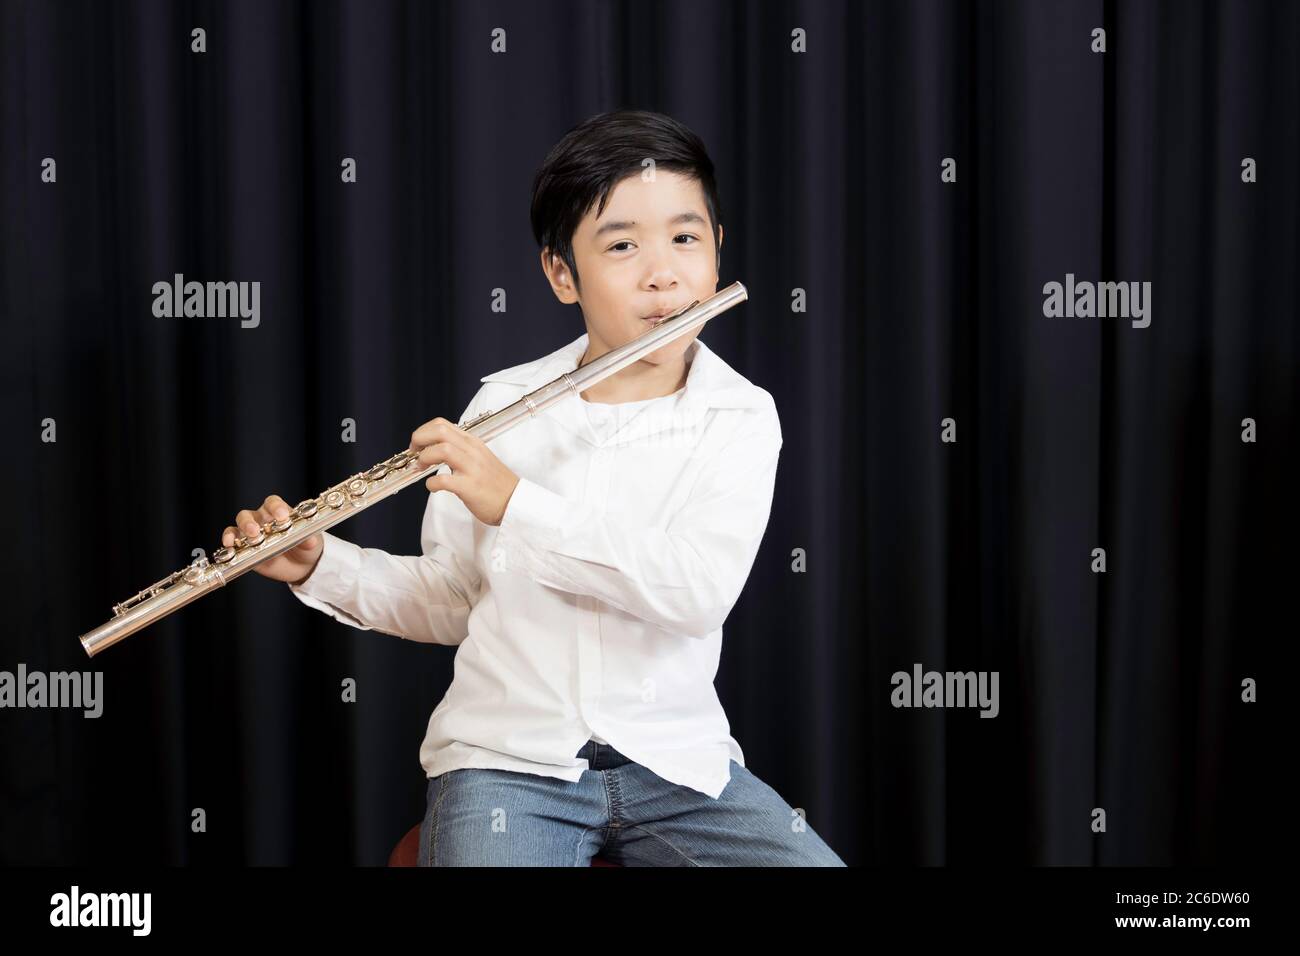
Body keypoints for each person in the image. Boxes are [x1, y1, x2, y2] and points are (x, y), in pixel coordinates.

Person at [223, 110, 844, 867]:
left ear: (717, 249)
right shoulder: (500, 407)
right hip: (506, 763)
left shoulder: (740, 417)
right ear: (561, 274)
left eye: (686, 237)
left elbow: (695, 592)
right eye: (622, 246)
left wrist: (516, 501)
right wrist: (322, 564)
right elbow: (454, 600)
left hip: (680, 765)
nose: (663, 273)